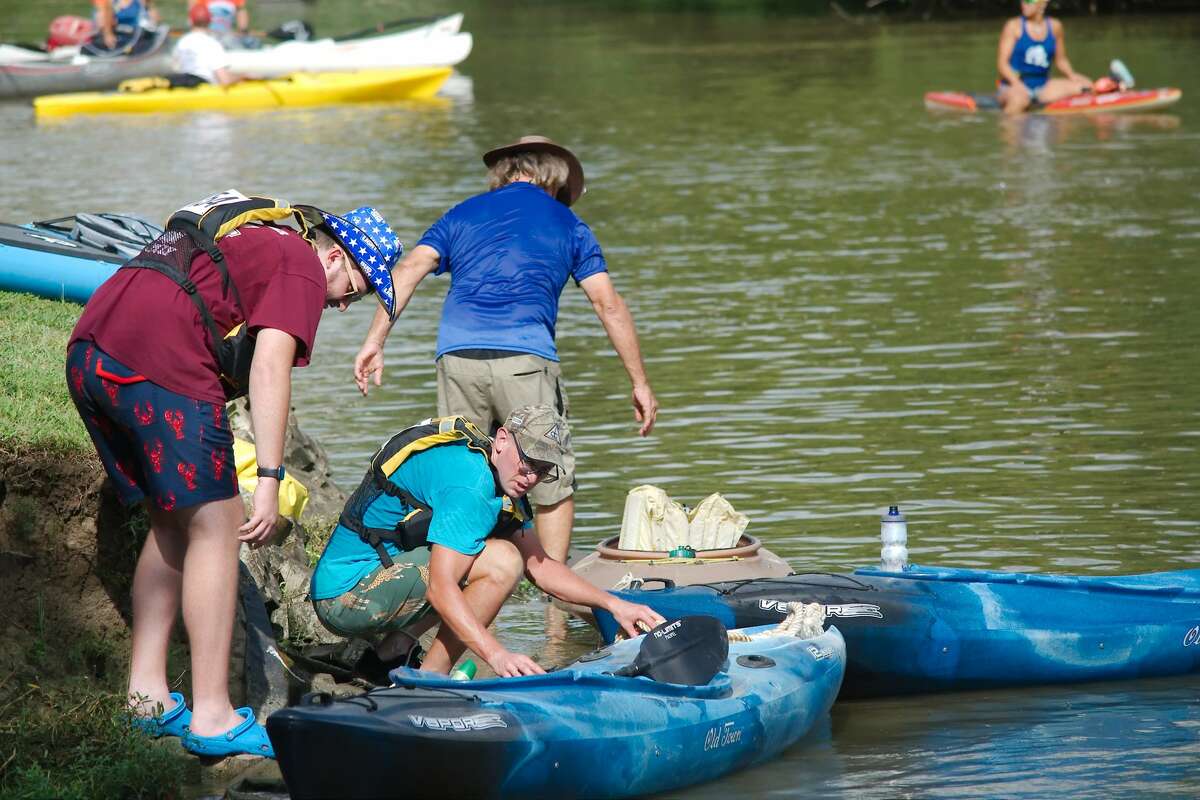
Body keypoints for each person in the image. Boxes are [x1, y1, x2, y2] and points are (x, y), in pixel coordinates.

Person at [66, 194, 403, 758]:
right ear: (339, 258)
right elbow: (270, 364)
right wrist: (269, 478)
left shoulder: (260, 239)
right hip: (158, 359)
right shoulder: (301, 262)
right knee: (219, 528)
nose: (344, 306)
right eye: (357, 291)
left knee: (172, 524)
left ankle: (146, 699)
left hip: (92, 352)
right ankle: (214, 716)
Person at [353, 135, 659, 563]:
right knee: (549, 480)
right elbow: (607, 303)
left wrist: (374, 342)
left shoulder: (463, 213)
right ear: (555, 177)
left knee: (465, 476)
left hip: (457, 360)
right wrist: (640, 382)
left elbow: (408, 270)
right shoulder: (567, 223)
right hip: (525, 363)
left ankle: (461, 589)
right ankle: (555, 606)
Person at [310, 405, 665, 681]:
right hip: (345, 595)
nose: (531, 476)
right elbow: (441, 589)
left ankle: (390, 655)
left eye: (543, 470)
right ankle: (425, 682)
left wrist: (614, 604)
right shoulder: (471, 483)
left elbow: (542, 569)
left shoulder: (498, 478)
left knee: (505, 558)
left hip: (376, 578)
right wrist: (497, 655)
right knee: (502, 563)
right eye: (529, 461)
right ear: (502, 440)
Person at [997, 0, 1091, 115]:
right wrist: (1017, 84)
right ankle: (1008, 126)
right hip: (1013, 86)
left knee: (1087, 87)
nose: (1024, 3)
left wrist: (1072, 75)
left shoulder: (1055, 26)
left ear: (1043, 2)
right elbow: (1002, 64)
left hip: (1043, 85)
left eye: (1029, 1)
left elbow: (1061, 60)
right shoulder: (1013, 26)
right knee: (1020, 100)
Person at [171, 4, 237, 87]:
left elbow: (175, 68)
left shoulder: (181, 42)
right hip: (205, 91)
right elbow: (225, 80)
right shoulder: (212, 44)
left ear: (190, 21)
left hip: (183, 88)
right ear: (210, 21)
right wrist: (242, 77)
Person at [91, 0, 156, 51]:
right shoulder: (112, 3)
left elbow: (152, 15)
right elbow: (103, 20)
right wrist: (108, 34)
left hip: (137, 34)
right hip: (121, 35)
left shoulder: (140, 1)